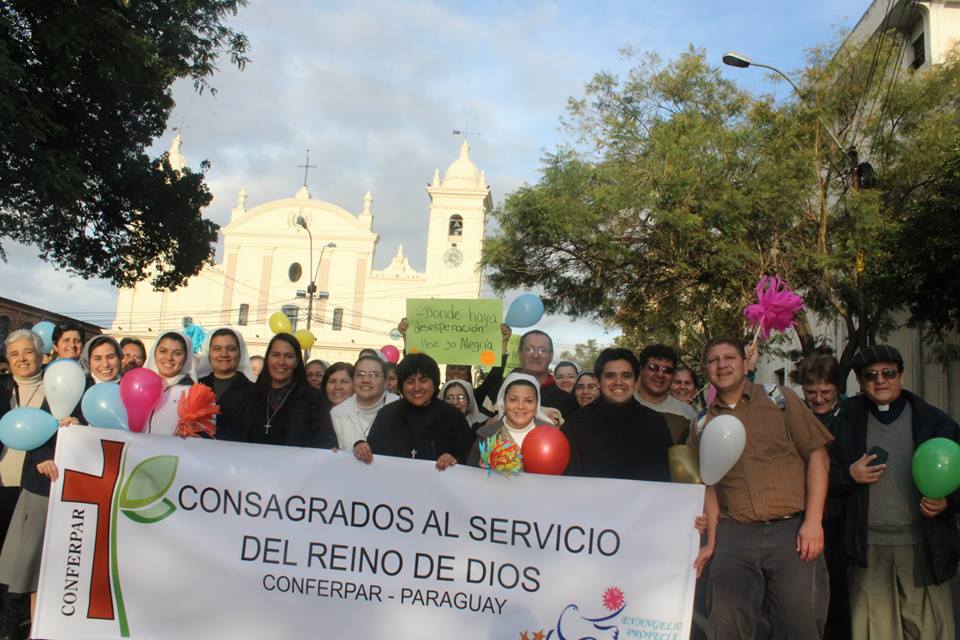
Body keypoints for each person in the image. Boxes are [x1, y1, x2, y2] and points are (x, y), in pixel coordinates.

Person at [689, 337, 833, 640]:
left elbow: (818, 456)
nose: (722, 364)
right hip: (735, 536)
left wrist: (813, 522)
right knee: (727, 627)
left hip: (791, 534)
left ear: (745, 363)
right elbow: (710, 485)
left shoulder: (780, 399)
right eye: (714, 360)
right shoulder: (701, 424)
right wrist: (712, 543)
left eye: (730, 357)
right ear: (706, 369)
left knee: (800, 626)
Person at [829, 345, 958, 640]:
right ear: (860, 383)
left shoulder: (934, 421)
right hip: (867, 549)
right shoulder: (846, 420)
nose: (880, 380)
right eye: (870, 375)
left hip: (922, 547)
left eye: (888, 373)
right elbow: (822, 475)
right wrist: (849, 475)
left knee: (931, 630)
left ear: (901, 376)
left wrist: (947, 502)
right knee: (873, 631)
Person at [0, 330, 74, 629]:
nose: (21, 359)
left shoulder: (58, 388)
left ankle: (16, 625)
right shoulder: (2, 388)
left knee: (24, 566)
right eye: (14, 354)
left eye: (27, 352)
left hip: (34, 489)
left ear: (42, 355)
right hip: (2, 485)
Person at [796, 352, 849, 640]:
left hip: (842, 521)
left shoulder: (849, 417)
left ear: (837, 388)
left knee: (839, 597)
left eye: (825, 392)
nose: (818, 399)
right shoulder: (795, 416)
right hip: (804, 518)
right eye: (811, 392)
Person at [562, 348, 672, 481]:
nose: (618, 382)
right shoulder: (576, 425)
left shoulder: (656, 423)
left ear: (636, 382)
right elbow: (570, 481)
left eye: (626, 376)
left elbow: (664, 480)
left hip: (644, 501)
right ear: (598, 382)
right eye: (610, 376)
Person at [353, 353, 472, 470]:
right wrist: (360, 447)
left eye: (423, 380)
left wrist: (454, 461)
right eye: (410, 381)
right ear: (401, 385)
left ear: (435, 383)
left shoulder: (454, 417)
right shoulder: (387, 415)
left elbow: (467, 461)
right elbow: (372, 456)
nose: (417, 387)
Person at [217, 333, 336, 448]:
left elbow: (324, 443)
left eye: (289, 356)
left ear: (297, 362)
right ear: (268, 358)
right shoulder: (246, 397)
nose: (281, 362)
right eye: (275, 355)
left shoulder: (313, 400)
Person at [467, 373, 556, 466]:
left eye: (529, 401)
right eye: (513, 400)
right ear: (503, 401)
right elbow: (471, 474)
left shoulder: (551, 435)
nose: (521, 406)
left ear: (537, 403)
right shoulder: (487, 436)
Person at [331, 356, 399, 450]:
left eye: (374, 375)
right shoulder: (337, 414)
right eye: (360, 374)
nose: (366, 380)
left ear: (385, 382)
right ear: (353, 379)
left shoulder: (401, 410)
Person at [634, 344, 695, 444]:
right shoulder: (623, 405)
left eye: (668, 370)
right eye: (653, 367)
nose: (660, 374)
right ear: (641, 370)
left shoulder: (687, 414)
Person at [513, 330, 578, 420]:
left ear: (551, 355)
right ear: (520, 353)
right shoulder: (499, 391)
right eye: (529, 349)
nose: (536, 355)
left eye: (542, 350)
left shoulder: (568, 401)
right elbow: (486, 429)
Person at [142, 330, 196, 436]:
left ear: (186, 358)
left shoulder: (194, 393)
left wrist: (191, 433)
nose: (169, 358)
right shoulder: (139, 385)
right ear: (154, 353)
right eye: (163, 351)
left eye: (177, 353)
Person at [195, 327, 254, 401]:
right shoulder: (195, 387)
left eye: (231, 349)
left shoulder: (254, 391)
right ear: (209, 353)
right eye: (217, 349)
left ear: (240, 353)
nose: (224, 354)